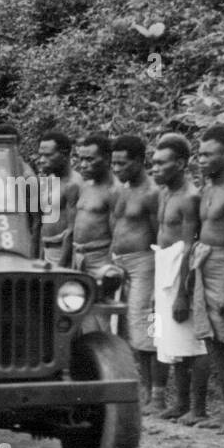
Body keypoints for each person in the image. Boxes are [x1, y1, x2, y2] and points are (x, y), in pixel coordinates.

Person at [150, 133, 207, 421]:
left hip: (180, 269)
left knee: (191, 341)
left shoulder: (189, 197)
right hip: (163, 265)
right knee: (168, 337)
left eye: (162, 163)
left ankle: (197, 407)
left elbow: (187, 246)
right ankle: (180, 402)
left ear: (181, 164)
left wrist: (184, 291)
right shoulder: (164, 193)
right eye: (154, 163)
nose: (155, 168)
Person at [192, 125, 224, 430]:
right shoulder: (207, 189)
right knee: (213, 343)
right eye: (198, 154)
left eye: (207, 154)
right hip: (204, 264)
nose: (201, 160)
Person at [111, 135, 158, 407]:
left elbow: (158, 234)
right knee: (120, 325)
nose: (117, 168)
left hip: (143, 262)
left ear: (140, 161)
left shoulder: (151, 192)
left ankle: (153, 392)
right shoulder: (121, 189)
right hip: (118, 262)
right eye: (114, 163)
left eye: (123, 163)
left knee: (144, 325)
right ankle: (130, 383)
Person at [71, 133, 118, 316]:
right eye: (81, 159)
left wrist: (109, 270)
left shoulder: (114, 190)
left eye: (90, 159)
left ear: (106, 159)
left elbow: (117, 234)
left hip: (100, 260)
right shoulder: (84, 185)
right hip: (78, 257)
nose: (83, 165)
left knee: (101, 314)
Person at [37, 131, 82, 265]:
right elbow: (43, 223)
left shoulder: (74, 184)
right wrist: (40, 258)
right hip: (47, 250)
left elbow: (72, 230)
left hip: (62, 253)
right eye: (41, 155)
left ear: (64, 154)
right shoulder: (49, 180)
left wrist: (61, 267)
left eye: (48, 155)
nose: (42, 160)